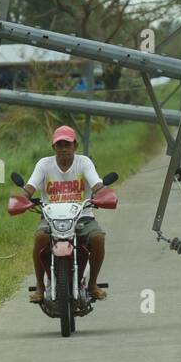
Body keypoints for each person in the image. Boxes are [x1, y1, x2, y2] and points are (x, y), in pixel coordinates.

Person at [23, 125, 109, 302]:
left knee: (98, 238)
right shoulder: (44, 164)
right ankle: (40, 287)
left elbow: (96, 184)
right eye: (59, 145)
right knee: (40, 237)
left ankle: (92, 284)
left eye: (67, 144)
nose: (63, 149)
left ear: (75, 146)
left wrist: (104, 194)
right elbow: (30, 186)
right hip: (51, 218)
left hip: (82, 216)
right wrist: (22, 199)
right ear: (53, 147)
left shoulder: (83, 162)